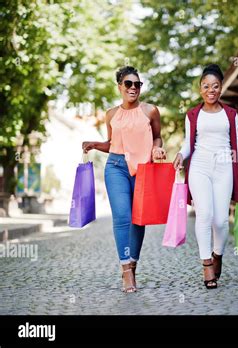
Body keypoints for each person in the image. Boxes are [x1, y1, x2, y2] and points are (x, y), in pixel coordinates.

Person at [82, 66, 166, 293]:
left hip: (144, 170)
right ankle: (126, 271)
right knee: (122, 217)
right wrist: (94, 144)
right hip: (116, 168)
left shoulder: (150, 111)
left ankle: (133, 263)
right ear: (119, 86)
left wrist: (158, 149)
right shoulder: (111, 114)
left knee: (139, 220)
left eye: (137, 84)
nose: (133, 88)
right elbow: (112, 144)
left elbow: (157, 137)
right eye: (128, 84)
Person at [173, 64, 238, 289]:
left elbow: (235, 142)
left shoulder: (230, 114)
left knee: (220, 221)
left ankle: (218, 255)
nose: (211, 90)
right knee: (205, 215)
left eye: (215, 86)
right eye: (206, 86)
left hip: (225, 166)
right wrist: (180, 154)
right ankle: (206, 263)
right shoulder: (192, 115)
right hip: (200, 166)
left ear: (221, 88)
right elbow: (189, 144)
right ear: (200, 89)